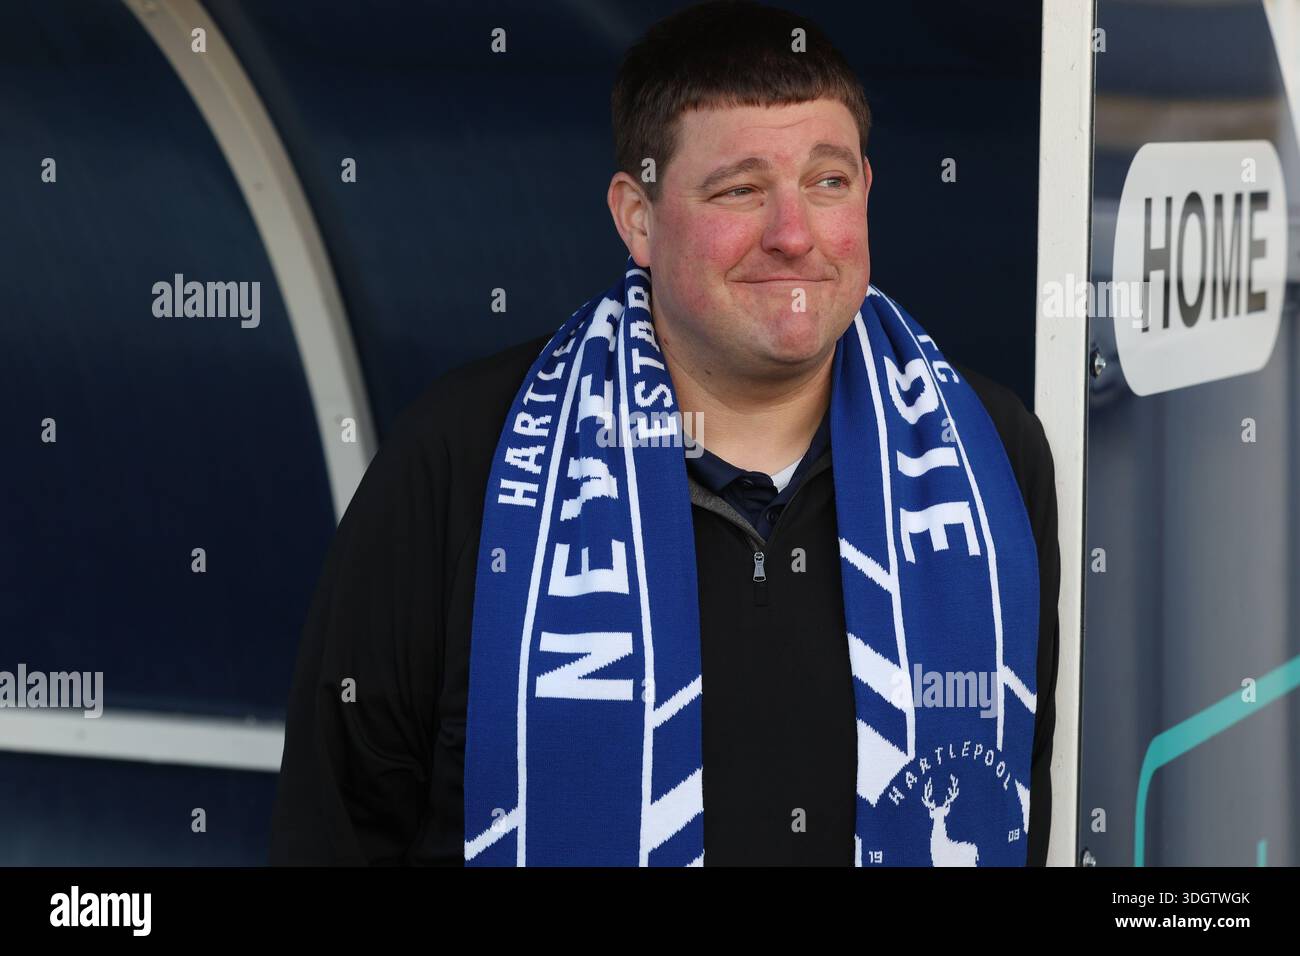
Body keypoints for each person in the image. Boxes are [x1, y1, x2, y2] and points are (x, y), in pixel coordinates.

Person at [270, 0, 1059, 867]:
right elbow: (336, 829)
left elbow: (1012, 806)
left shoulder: (990, 455)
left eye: (826, 181)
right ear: (637, 217)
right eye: (740, 190)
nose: (793, 235)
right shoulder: (466, 457)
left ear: (866, 192)